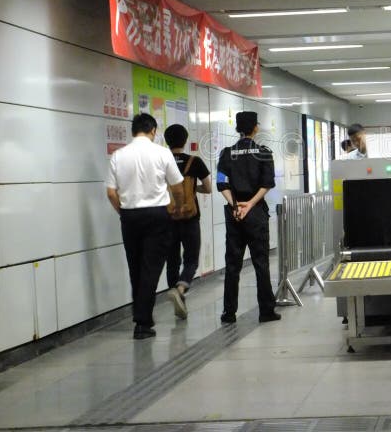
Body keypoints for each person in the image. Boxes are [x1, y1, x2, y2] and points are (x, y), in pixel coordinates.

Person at [106, 113, 184, 340]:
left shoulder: (118, 155)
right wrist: (177, 207)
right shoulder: (162, 152)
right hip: (157, 215)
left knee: (136, 267)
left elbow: (111, 192)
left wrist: (123, 211)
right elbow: (177, 187)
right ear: (153, 131)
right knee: (151, 267)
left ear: (133, 131)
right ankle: (142, 321)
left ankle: (142, 317)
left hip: (130, 216)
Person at [216, 111, 281, 324]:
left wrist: (235, 205)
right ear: (255, 128)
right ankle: (266, 311)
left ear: (238, 128)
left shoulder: (227, 153)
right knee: (261, 262)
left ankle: (229, 313)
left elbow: (221, 183)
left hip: (234, 214)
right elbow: (267, 184)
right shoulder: (263, 153)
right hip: (255, 213)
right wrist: (250, 204)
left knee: (232, 264)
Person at [163, 124, 212, 320]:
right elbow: (208, 188)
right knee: (191, 259)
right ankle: (181, 289)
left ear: (167, 141)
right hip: (190, 217)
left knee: (172, 261)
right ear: (184, 140)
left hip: (168, 217)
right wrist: (193, 191)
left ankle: (178, 297)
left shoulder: (161, 161)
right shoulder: (195, 161)